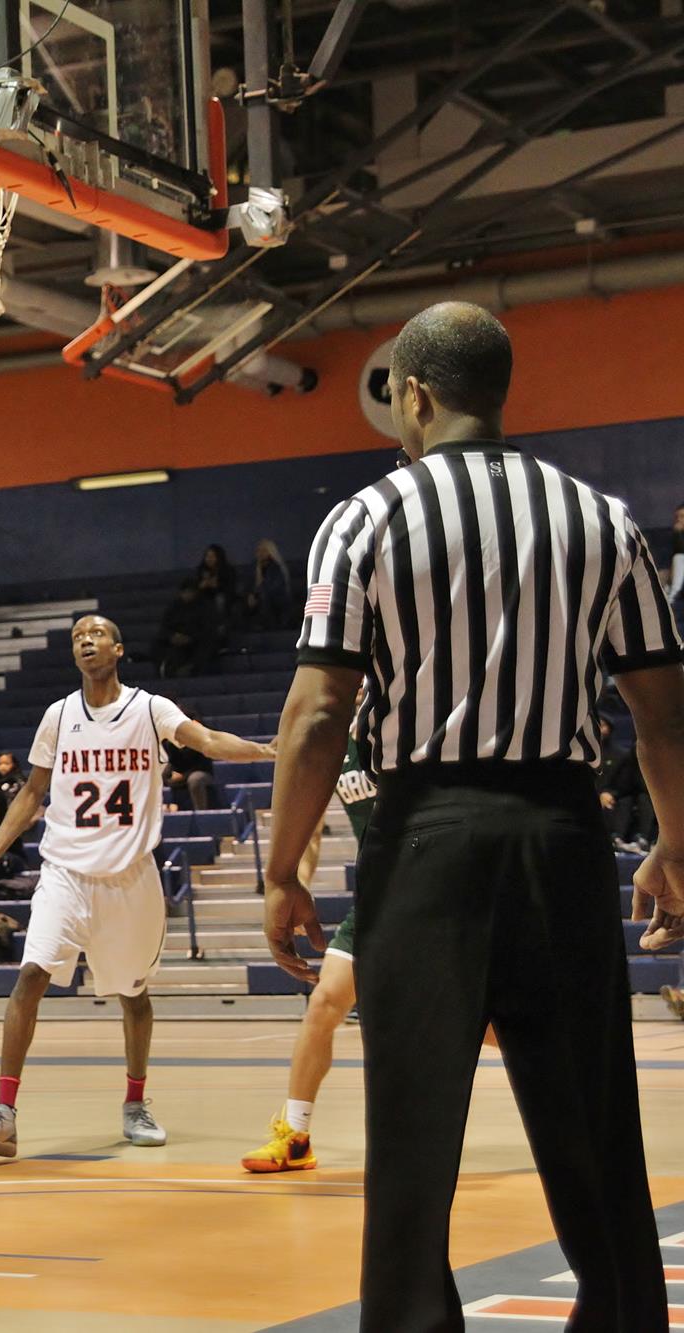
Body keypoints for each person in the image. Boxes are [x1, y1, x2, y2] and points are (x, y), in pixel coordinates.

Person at [262, 301, 682, 1330]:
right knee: (592, 1121)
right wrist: (676, 843)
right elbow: (665, 714)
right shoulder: (601, 518)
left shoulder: (365, 518)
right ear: (498, 392)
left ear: (412, 394)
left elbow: (317, 712)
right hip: (560, 835)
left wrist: (281, 869)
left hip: (424, 834)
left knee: (411, 1135)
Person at [0, 614, 275, 1156]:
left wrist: (267, 750)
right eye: (77, 636)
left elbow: (207, 741)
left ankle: (135, 1103)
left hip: (129, 877)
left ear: (119, 649)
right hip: (65, 871)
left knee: (133, 994)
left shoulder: (149, 709)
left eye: (97, 633)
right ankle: (4, 1114)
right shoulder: (59, 715)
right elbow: (32, 793)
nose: (86, 640)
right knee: (31, 975)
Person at [242, 703, 377, 1173]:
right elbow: (311, 832)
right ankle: (296, 1137)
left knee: (480, 1023)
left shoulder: (408, 723)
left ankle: (571, 1076)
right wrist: (295, 882)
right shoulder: (336, 742)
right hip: (379, 895)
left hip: (437, 893)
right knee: (323, 1004)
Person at [596, 716, 655, 852]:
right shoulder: (579, 754)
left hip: (640, 793)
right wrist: (602, 794)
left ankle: (639, 840)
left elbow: (627, 781)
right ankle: (615, 839)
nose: (599, 729)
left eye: (603, 725)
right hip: (592, 793)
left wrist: (610, 793)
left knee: (638, 799)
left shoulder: (620, 754)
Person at [154, 578, 219, 678]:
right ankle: (165, 671)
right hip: (177, 640)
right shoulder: (174, 607)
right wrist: (172, 636)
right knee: (158, 644)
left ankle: (193, 668)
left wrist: (190, 638)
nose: (187, 595)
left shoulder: (205, 606)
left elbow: (208, 628)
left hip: (196, 640)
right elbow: (164, 626)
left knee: (207, 644)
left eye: (189, 592)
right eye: (184, 592)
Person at [162, 713, 219, 811]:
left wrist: (182, 777)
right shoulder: (172, 742)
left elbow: (202, 765)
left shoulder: (200, 739)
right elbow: (174, 762)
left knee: (195, 779)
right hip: (183, 773)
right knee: (162, 774)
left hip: (202, 772)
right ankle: (167, 809)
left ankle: (201, 812)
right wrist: (174, 775)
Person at [243, 539, 293, 630]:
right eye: (258, 550)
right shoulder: (253, 567)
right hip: (257, 596)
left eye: (263, 550)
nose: (260, 553)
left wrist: (257, 591)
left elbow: (274, 587)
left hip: (276, 597)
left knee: (264, 597)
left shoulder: (276, 568)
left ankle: (268, 626)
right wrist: (250, 595)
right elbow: (247, 585)